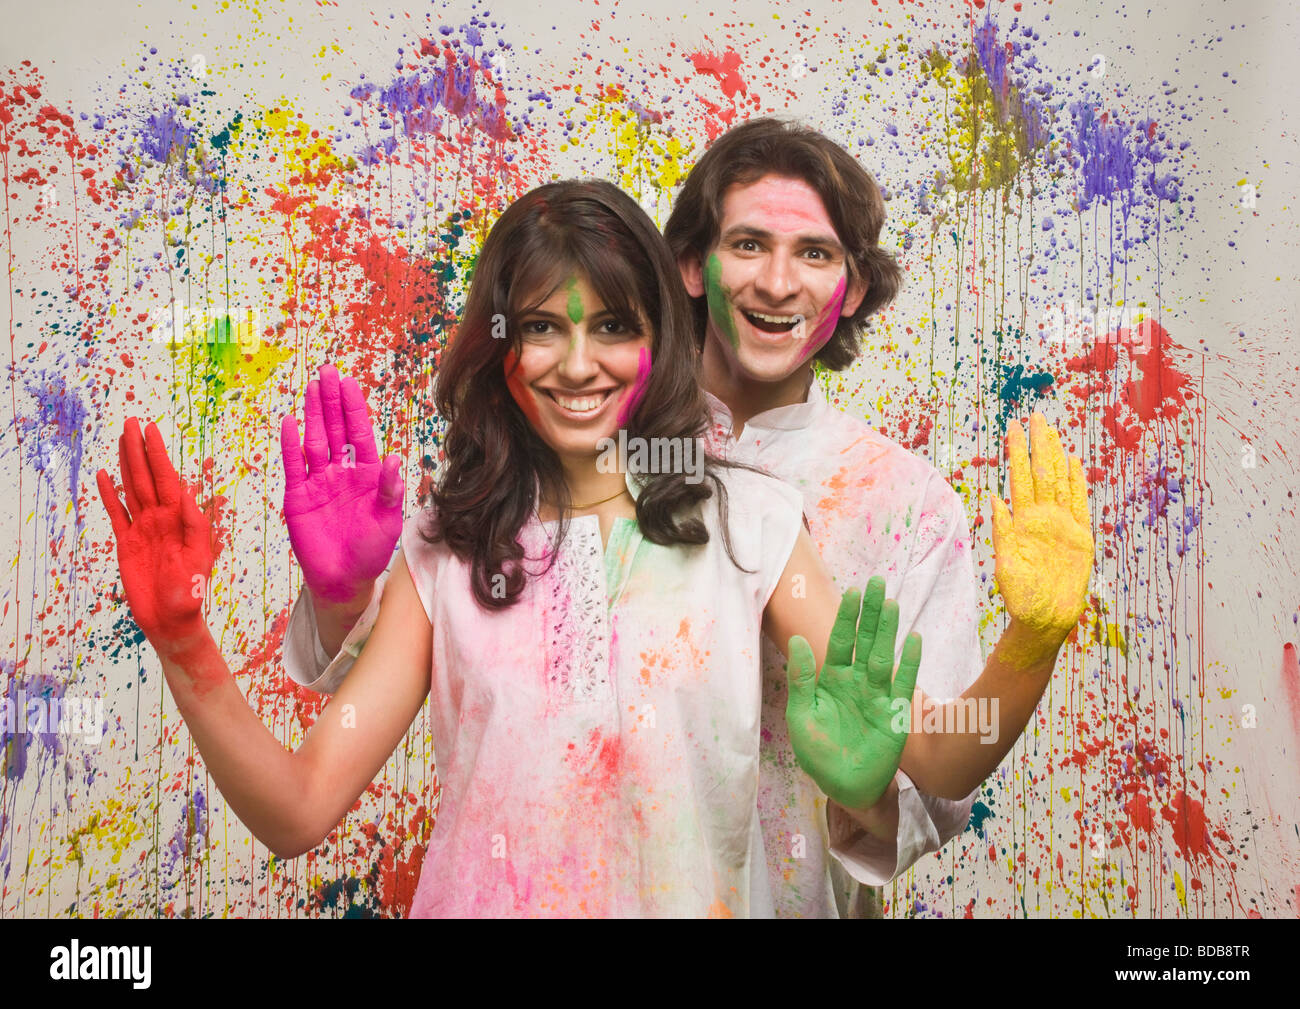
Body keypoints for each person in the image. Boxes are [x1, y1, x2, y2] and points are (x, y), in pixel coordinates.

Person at [286, 118, 1095, 918]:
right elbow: (440, 649)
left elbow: (938, 767)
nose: (778, 283)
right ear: (689, 267)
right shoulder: (586, 432)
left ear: (850, 286)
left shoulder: (905, 503)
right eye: (747, 244)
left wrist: (1028, 645)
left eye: (815, 254)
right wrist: (339, 595)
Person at [96, 179, 925, 917]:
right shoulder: (444, 550)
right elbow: (300, 808)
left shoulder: (754, 524)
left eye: (611, 326)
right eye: (538, 327)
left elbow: (875, 776)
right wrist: (183, 643)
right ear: (500, 348)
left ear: (659, 340)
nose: (576, 364)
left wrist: (870, 792)